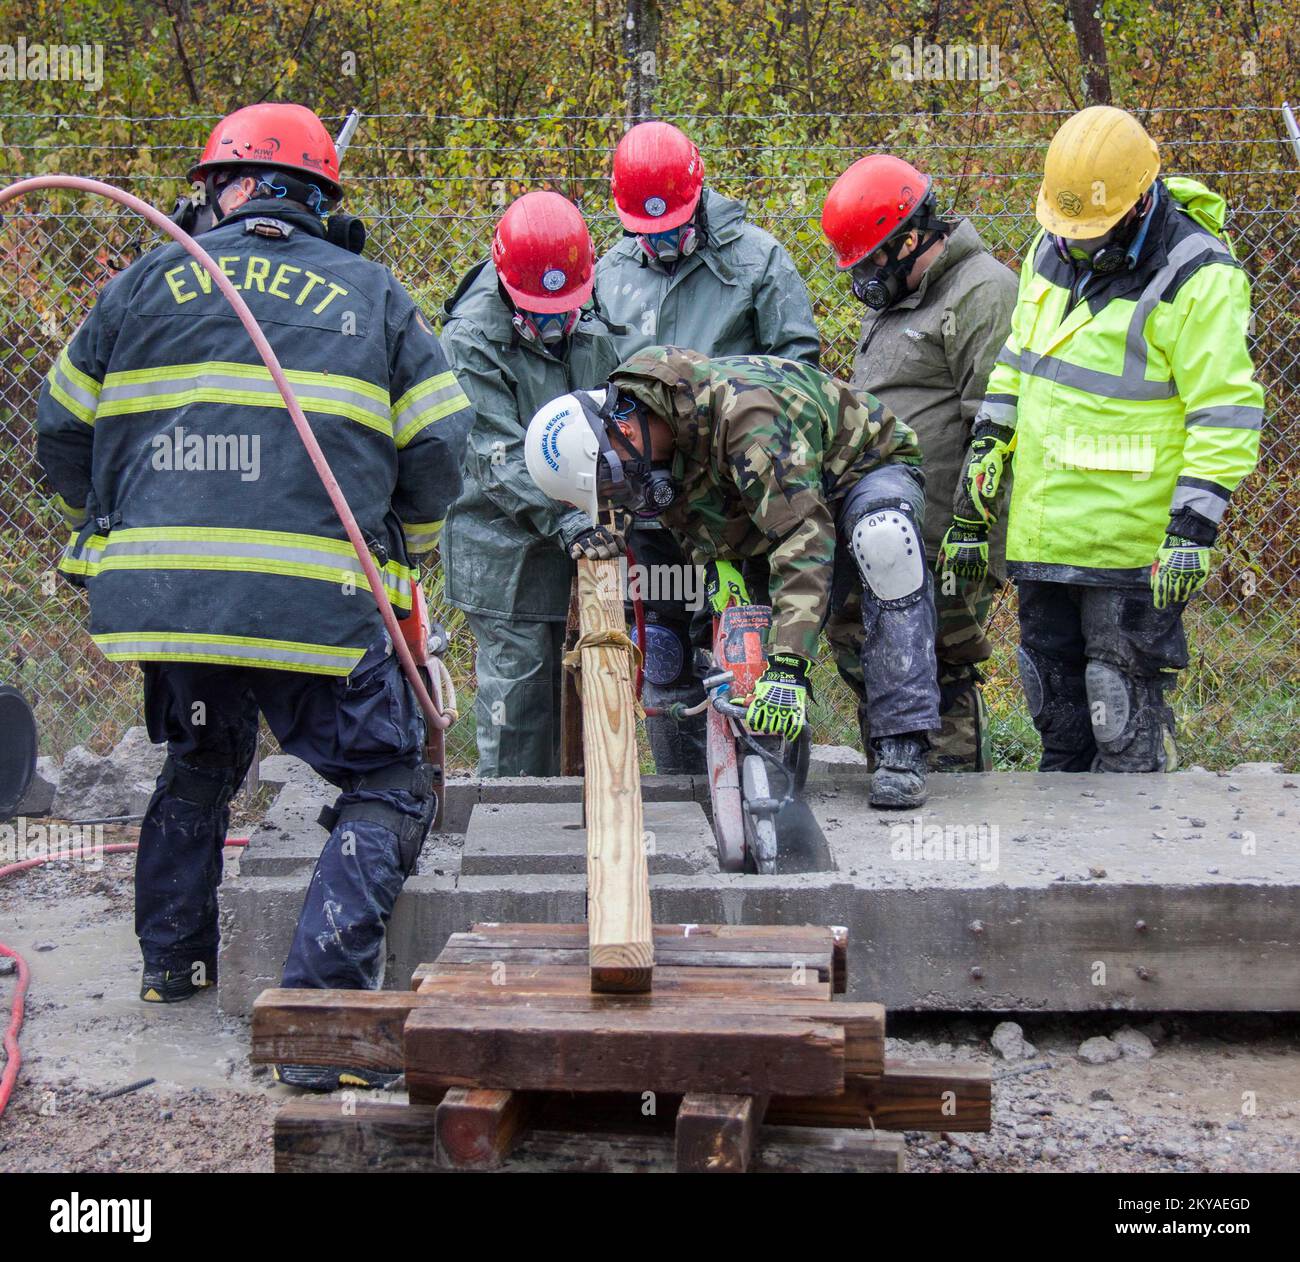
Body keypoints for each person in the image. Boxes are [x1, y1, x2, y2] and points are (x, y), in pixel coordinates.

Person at [37, 104, 473, 1088]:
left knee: (203, 751)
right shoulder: (373, 294)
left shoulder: (141, 283)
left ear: (220, 188)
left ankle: (171, 963)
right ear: (320, 199)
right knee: (390, 782)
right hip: (319, 600)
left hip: (175, 598)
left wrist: (128, 512)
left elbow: (57, 432)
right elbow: (442, 449)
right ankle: (317, 1020)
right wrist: (391, 533)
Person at [943, 106, 1264, 771]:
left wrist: (1191, 533)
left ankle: (1137, 862)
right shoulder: (1048, 251)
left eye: (1090, 231)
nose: (1074, 246)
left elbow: (1224, 413)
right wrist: (980, 478)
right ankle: (1061, 870)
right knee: (1053, 710)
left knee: (1118, 712)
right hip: (1042, 527)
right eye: (1067, 232)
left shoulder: (1198, 275)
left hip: (1130, 541)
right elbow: (1016, 368)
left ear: (1139, 201)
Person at [525, 348, 941, 807]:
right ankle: (770, 774)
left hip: (863, 470)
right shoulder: (660, 431)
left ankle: (902, 745)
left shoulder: (748, 421)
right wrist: (720, 581)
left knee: (882, 539)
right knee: (748, 632)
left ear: (621, 434)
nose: (620, 496)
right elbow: (703, 524)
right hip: (783, 499)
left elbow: (801, 538)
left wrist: (787, 666)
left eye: (614, 483)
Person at [594, 120, 820, 776]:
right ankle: (682, 793)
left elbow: (799, 366)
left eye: (672, 228)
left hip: (738, 502)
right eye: (646, 232)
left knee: (749, 646)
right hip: (650, 504)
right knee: (664, 647)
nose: (660, 242)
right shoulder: (610, 277)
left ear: (700, 201)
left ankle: (772, 785)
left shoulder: (756, 262)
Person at [822, 154, 1017, 771]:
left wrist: (969, 532)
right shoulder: (899, 298)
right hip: (879, 529)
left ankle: (954, 809)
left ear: (911, 238)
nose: (863, 281)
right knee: (867, 653)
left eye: (872, 261)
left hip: (944, 536)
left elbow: (996, 425)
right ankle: (893, 774)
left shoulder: (983, 292)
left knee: (936, 671)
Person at [441, 191, 622, 776]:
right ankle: (509, 833)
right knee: (520, 698)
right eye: (538, 313)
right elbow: (495, 455)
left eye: (564, 310)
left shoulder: (591, 324)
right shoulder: (469, 341)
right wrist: (569, 518)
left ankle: (579, 828)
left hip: (578, 538)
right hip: (501, 549)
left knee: (586, 690)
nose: (553, 325)